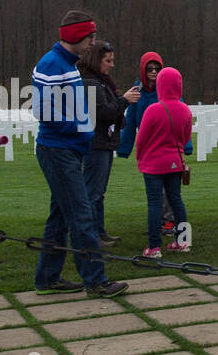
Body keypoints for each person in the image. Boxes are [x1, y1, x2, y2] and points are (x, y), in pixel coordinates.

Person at [31, 10, 128, 297]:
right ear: (76, 36)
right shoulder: (52, 65)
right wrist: (79, 128)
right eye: (90, 37)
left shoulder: (68, 64)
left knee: (60, 217)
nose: (93, 43)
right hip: (57, 150)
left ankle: (47, 278)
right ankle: (96, 280)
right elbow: (43, 111)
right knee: (81, 214)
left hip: (68, 151)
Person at [120, 50, 190, 234]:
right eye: (149, 68)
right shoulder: (137, 92)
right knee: (156, 195)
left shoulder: (169, 92)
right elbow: (131, 120)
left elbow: (183, 121)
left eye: (157, 68)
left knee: (170, 196)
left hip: (167, 146)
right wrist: (124, 147)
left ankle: (165, 229)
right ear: (143, 70)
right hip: (152, 149)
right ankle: (165, 231)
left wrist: (186, 147)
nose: (153, 72)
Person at [78, 40, 140, 246]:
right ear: (97, 61)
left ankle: (99, 231)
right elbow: (102, 112)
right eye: (108, 61)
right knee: (92, 192)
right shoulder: (89, 83)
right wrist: (124, 100)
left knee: (99, 192)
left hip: (104, 143)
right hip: (96, 143)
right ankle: (90, 236)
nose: (112, 65)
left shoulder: (100, 81)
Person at [134, 66, 192, 259]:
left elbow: (141, 138)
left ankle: (154, 247)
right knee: (176, 200)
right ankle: (183, 241)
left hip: (153, 164)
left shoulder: (153, 110)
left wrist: (139, 156)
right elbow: (185, 138)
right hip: (175, 163)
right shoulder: (185, 110)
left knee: (154, 204)